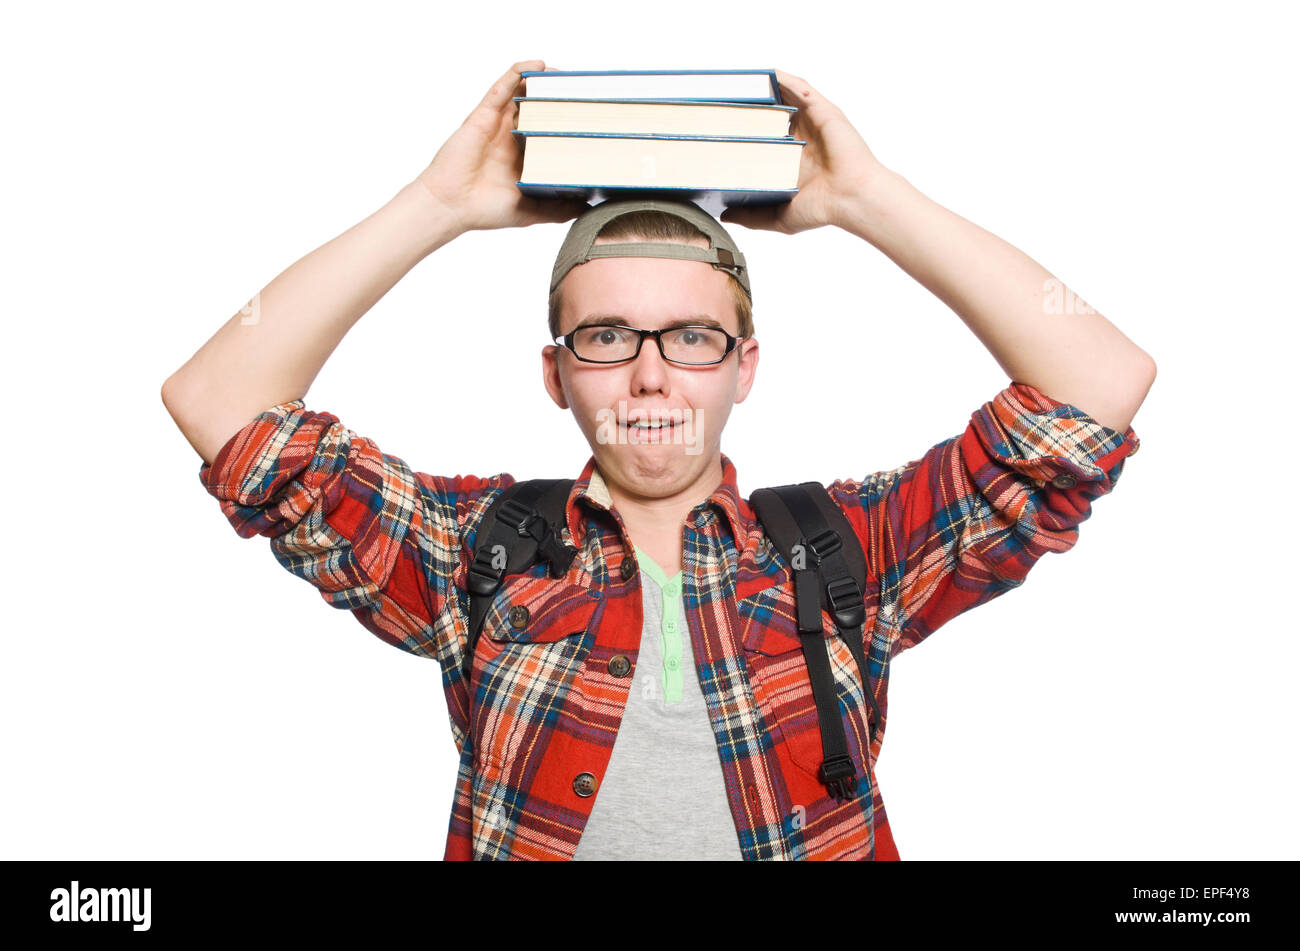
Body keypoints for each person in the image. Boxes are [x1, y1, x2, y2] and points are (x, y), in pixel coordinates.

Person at [162, 60, 1155, 861]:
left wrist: (869, 199)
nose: (648, 377)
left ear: (743, 368)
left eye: (691, 338)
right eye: (605, 338)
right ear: (556, 373)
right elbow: (221, 404)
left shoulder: (849, 549)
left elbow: (1095, 386)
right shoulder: (478, 552)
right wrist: (435, 205)